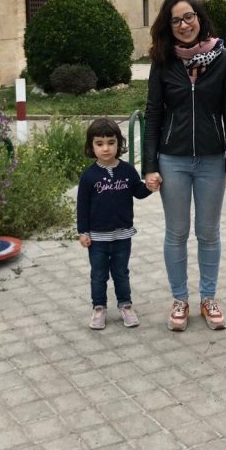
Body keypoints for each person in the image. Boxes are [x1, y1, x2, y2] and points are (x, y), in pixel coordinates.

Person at [143, 0, 226, 331]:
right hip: (172, 160)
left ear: (199, 19)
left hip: (213, 160)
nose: (184, 25)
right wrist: (149, 165)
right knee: (176, 232)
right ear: (168, 26)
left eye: (188, 17)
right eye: (175, 20)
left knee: (208, 232)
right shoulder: (163, 61)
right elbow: (153, 114)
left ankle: (208, 298)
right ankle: (180, 300)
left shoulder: (225, 59)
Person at [77, 118, 153, 330]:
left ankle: (126, 306)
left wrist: (151, 186)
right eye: (99, 143)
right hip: (97, 239)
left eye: (111, 142)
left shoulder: (127, 171)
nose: (106, 148)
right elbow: (82, 206)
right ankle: (99, 308)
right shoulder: (89, 176)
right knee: (98, 274)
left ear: (119, 144)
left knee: (121, 272)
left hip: (122, 236)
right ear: (91, 146)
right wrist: (83, 232)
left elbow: (138, 192)